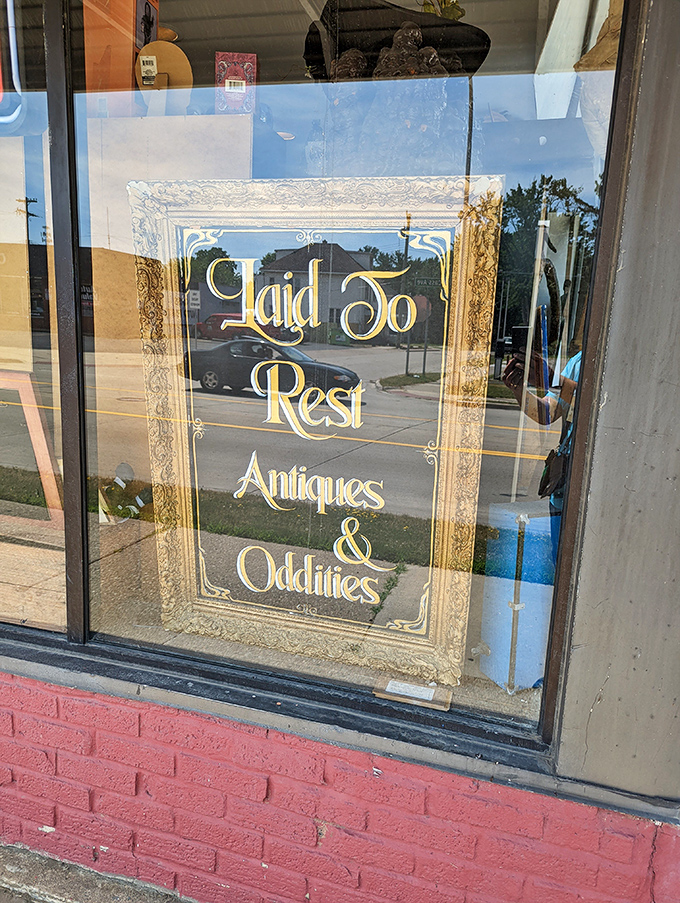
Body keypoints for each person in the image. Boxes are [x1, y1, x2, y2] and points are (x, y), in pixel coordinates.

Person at [503, 347, 581, 561]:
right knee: (562, 562)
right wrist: (519, 390)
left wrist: (551, 379)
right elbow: (548, 412)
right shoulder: (578, 361)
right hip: (563, 487)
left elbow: (596, 403)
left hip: (587, 491)